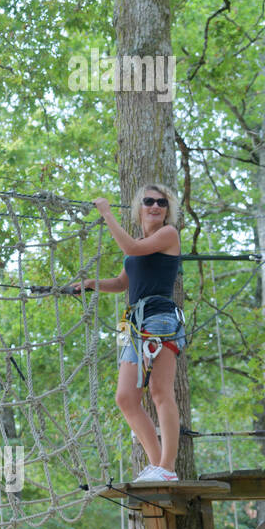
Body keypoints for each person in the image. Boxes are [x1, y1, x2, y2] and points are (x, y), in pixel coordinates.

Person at [73, 185, 185, 482]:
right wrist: (92, 284)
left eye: (161, 203)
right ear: (140, 208)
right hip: (135, 324)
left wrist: (107, 214)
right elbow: (123, 283)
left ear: (167, 211)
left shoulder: (168, 234)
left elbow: (130, 249)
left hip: (159, 320)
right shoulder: (140, 243)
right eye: (149, 201)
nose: (155, 206)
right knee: (125, 398)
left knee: (160, 391)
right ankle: (157, 466)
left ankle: (167, 467)